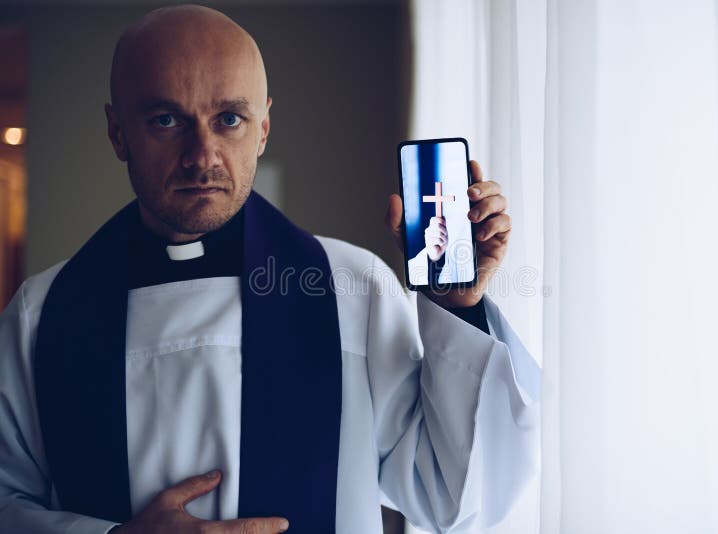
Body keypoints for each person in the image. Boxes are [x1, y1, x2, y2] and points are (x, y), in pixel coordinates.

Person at [0, 5, 539, 534]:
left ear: (262, 130)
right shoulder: (41, 314)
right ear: (118, 132)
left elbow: (457, 498)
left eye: (229, 119)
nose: (202, 155)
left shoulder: (352, 289)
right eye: (167, 120)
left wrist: (458, 306)